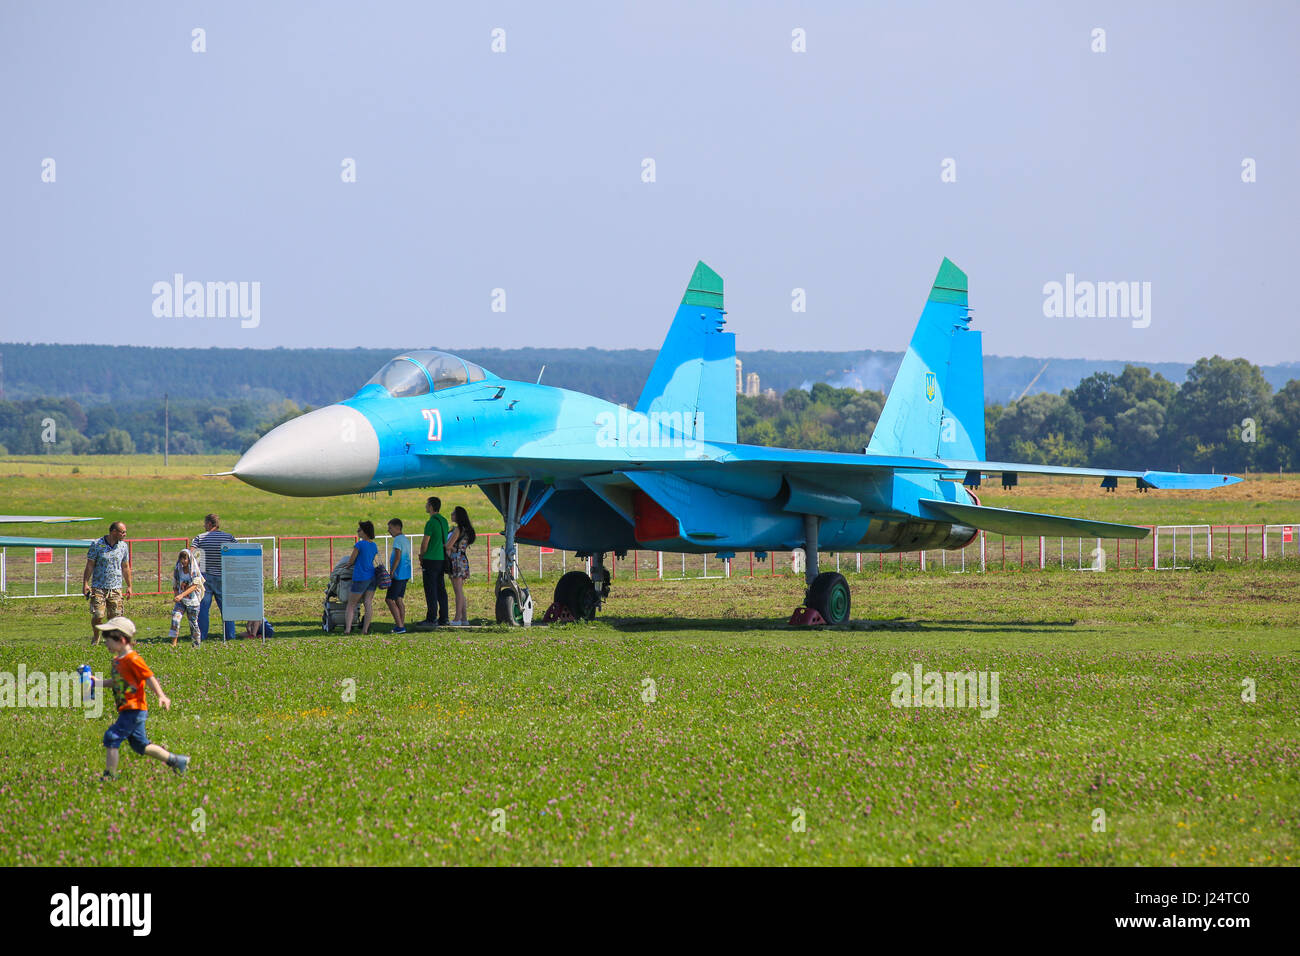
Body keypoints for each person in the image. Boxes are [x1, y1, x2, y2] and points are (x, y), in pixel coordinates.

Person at [89, 617, 189, 781]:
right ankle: (177, 761)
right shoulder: (118, 661)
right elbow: (116, 682)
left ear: (121, 639)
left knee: (112, 736)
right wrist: (97, 684)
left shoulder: (133, 659)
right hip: (127, 709)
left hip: (134, 709)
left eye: (108, 639)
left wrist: (161, 695)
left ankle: (110, 775)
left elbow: (148, 677)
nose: (105, 643)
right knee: (141, 745)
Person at [83, 521, 132, 646]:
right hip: (99, 586)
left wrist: (129, 586)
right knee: (98, 615)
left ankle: (110, 639)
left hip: (116, 587)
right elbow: (90, 565)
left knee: (115, 616)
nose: (125, 534)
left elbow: (125, 567)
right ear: (114, 532)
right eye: (123, 532)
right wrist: (85, 583)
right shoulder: (97, 544)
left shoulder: (123, 547)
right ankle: (96, 636)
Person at [192, 513, 237, 642]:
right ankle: (230, 635)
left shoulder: (200, 538)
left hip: (205, 577)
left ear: (210, 524)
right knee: (227, 608)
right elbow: (238, 551)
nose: (204, 526)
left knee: (204, 609)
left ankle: (202, 635)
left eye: (205, 523)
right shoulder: (229, 537)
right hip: (223, 577)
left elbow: (192, 555)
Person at [343, 520, 379, 635]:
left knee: (351, 604)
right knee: (368, 603)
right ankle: (365, 630)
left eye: (359, 529)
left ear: (365, 532)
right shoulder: (374, 545)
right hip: (372, 576)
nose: (357, 531)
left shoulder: (359, 544)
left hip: (361, 576)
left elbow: (351, 560)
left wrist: (347, 565)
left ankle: (348, 629)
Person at [419, 497, 450, 626]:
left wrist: (421, 555)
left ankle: (431, 618)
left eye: (427, 504)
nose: (426, 506)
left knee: (431, 590)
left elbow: (425, 543)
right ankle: (444, 617)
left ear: (431, 507)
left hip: (430, 559)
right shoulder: (444, 521)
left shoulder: (431, 522)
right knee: (441, 589)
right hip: (441, 559)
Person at [167, 548, 204, 647]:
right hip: (181, 601)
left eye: (185, 559)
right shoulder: (178, 569)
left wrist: (181, 595)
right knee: (175, 618)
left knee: (193, 623)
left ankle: (196, 645)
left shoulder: (194, 569)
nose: (183, 561)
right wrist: (176, 595)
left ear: (189, 559)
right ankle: (173, 644)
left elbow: (195, 585)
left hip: (192, 600)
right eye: (181, 558)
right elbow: (175, 584)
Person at [446, 506, 476, 625]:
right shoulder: (467, 530)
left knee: (457, 591)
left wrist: (446, 545)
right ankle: (464, 618)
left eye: (453, 513)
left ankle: (457, 618)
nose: (451, 515)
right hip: (462, 559)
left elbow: (448, 546)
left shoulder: (458, 529)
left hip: (456, 560)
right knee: (460, 591)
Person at [385, 518, 412, 633]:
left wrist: (391, 572)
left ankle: (400, 626)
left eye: (390, 528)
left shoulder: (397, 540)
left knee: (389, 599)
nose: (389, 530)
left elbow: (397, 557)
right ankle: (401, 623)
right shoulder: (405, 539)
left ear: (398, 528)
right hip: (406, 574)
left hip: (398, 574)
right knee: (398, 599)